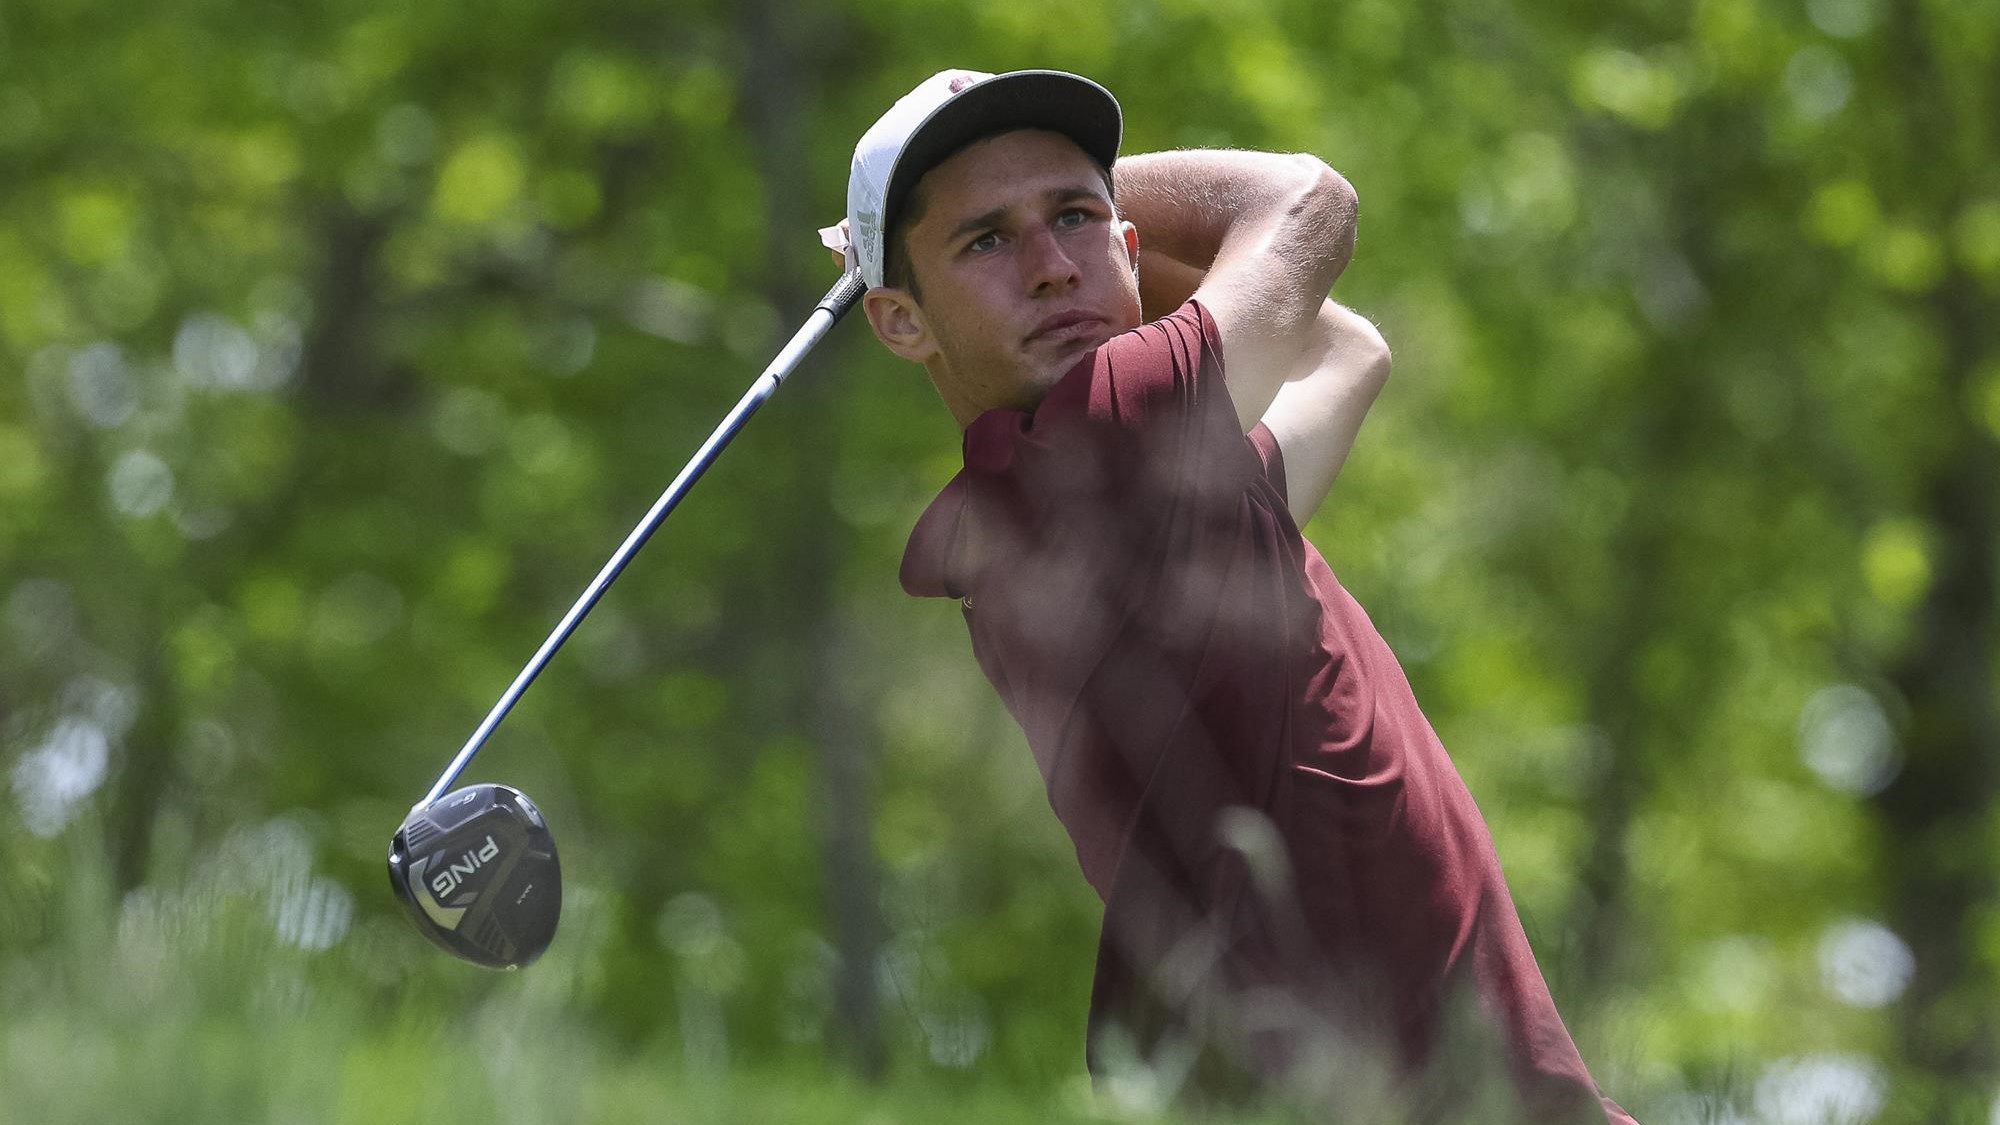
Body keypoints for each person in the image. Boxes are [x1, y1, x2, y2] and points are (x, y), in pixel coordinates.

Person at [824, 69, 1637, 1124]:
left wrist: (1080, 229)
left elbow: (1345, 355)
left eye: (1071, 221)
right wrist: (1101, 206)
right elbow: (1306, 204)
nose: (1046, 267)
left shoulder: (1093, 502)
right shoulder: (1115, 433)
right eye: (983, 241)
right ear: (897, 323)